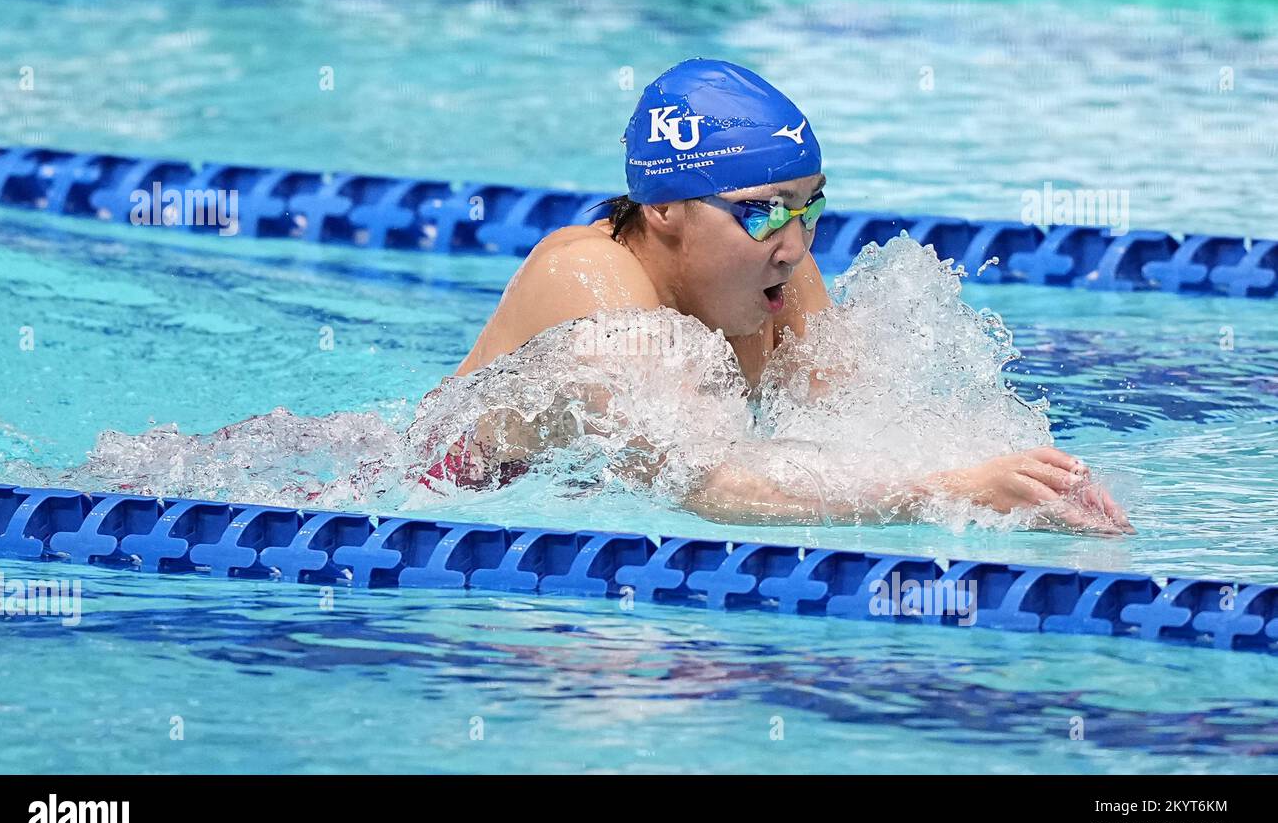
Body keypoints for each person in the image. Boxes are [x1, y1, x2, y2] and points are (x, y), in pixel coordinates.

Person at [422, 58, 1132, 535]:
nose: (795, 245)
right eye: (760, 211)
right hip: (440, 513)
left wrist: (1030, 487)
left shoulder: (777, 275)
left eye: (809, 209)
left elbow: (859, 427)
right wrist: (949, 490)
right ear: (665, 207)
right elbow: (701, 483)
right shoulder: (589, 280)